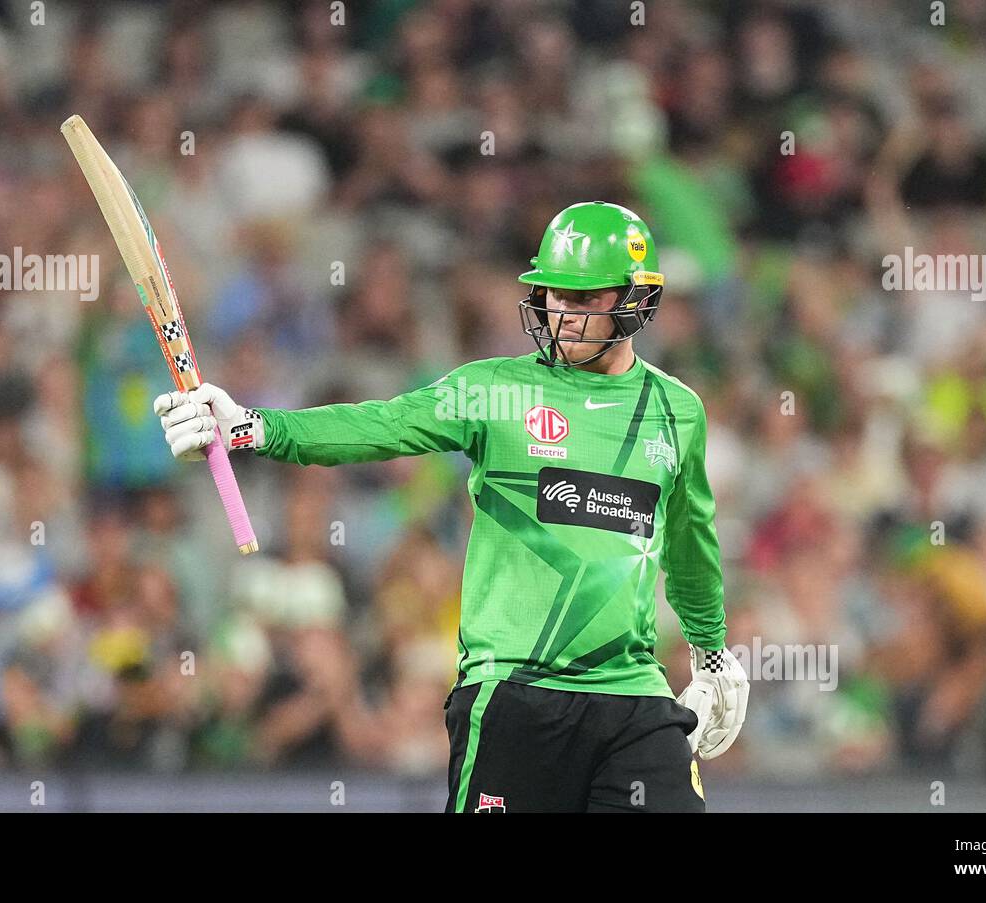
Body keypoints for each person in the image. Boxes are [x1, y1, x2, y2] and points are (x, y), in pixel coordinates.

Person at [153, 201, 748, 812]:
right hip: (513, 694)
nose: (564, 317)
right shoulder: (493, 390)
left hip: (633, 698)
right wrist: (252, 426)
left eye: (585, 300)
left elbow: (690, 542)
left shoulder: (678, 411)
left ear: (635, 300)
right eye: (555, 297)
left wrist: (711, 650)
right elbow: (380, 424)